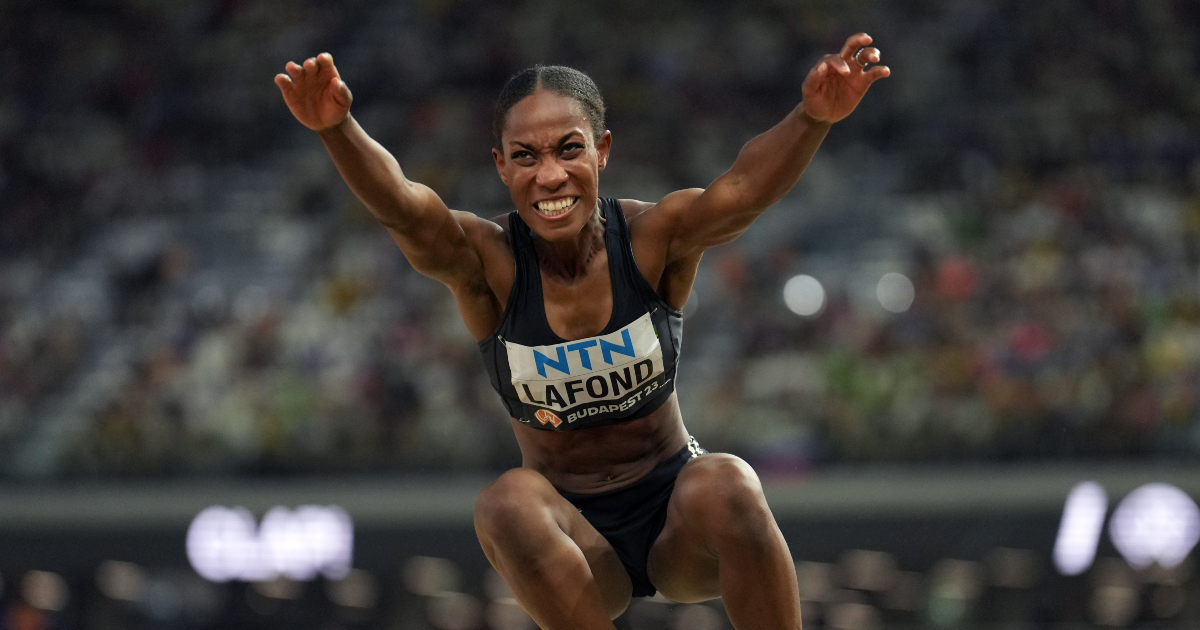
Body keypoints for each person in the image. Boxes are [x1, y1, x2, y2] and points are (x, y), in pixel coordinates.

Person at [276, 32, 888, 630]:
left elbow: (744, 189)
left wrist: (812, 118)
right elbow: (405, 211)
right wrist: (338, 130)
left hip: (678, 524)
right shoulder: (487, 264)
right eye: (526, 156)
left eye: (569, 149)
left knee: (728, 480)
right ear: (500, 166)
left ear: (602, 150)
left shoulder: (653, 238)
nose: (550, 177)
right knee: (506, 501)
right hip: (575, 543)